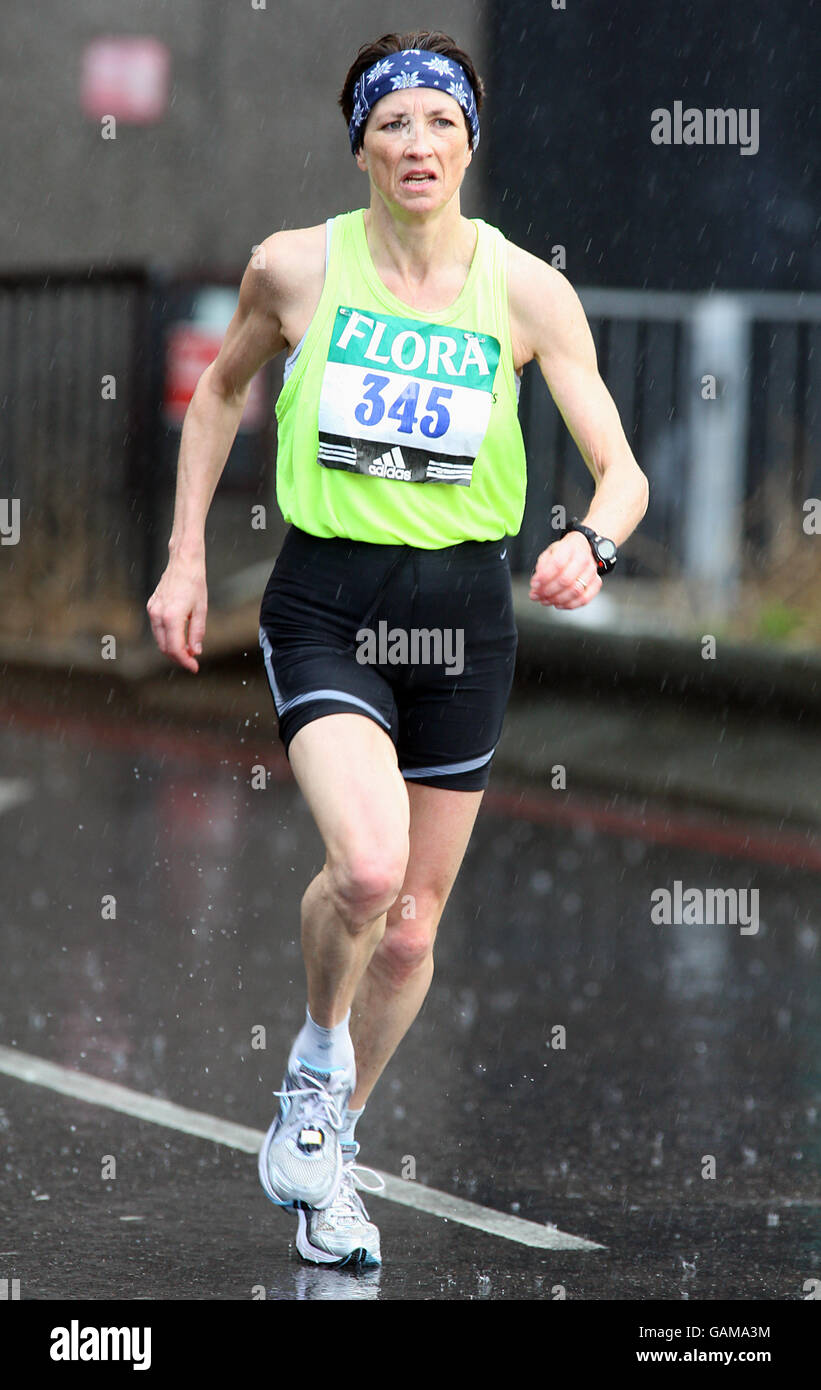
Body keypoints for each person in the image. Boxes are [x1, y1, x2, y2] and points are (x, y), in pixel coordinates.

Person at [146, 29, 649, 1269]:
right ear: (360, 145)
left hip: (465, 618)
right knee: (367, 872)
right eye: (392, 124)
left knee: (414, 929)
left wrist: (592, 541)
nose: (416, 144)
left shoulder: (528, 290)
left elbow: (621, 469)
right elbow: (218, 396)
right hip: (327, 600)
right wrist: (187, 556)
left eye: (439, 121)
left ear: (469, 140)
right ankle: (316, 1059)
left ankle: (329, 1150)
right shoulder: (295, 269)